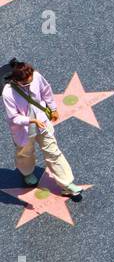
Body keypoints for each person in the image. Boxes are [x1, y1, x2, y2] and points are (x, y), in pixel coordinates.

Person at [2, 59, 84, 198]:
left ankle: (67, 184)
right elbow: (13, 117)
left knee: (53, 152)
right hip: (24, 129)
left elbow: (46, 91)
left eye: (30, 80)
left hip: (42, 123)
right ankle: (27, 173)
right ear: (16, 81)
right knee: (25, 154)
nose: (29, 84)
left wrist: (52, 108)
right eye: (25, 83)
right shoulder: (8, 93)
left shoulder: (36, 77)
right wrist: (31, 120)